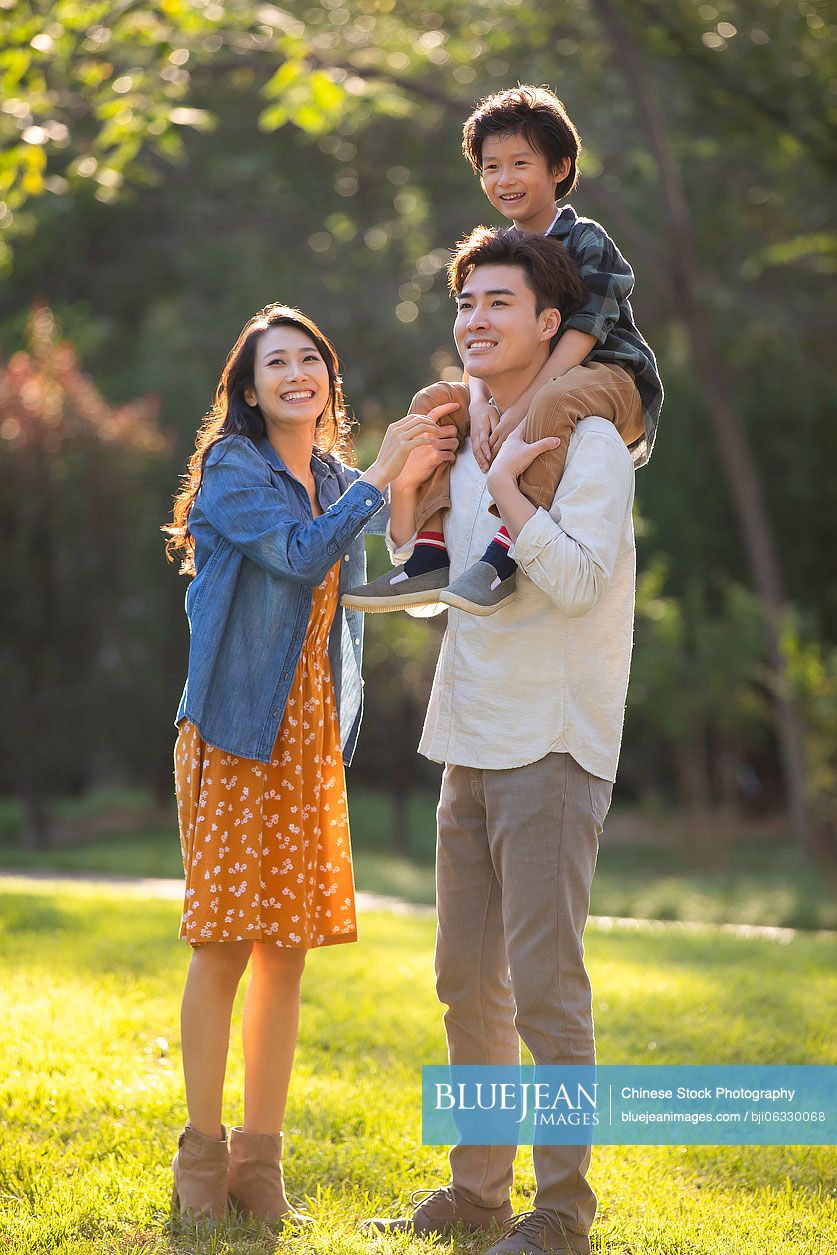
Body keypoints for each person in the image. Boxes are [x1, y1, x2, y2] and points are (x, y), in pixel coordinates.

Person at [361, 227, 639, 1255]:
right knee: (465, 981)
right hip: (468, 735)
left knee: (547, 988)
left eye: (497, 305)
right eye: (464, 304)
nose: (473, 322)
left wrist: (518, 494)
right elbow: (439, 593)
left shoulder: (593, 444)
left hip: (552, 741)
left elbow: (570, 579)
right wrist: (412, 492)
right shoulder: (471, 431)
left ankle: (561, 1212)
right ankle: (476, 1194)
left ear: (550, 324)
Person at [161, 303, 458, 1225]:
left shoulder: (334, 474)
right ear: (247, 390)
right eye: (275, 363)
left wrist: (419, 474)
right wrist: (378, 477)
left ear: (329, 379)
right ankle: (201, 1161)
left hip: (308, 742)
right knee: (222, 946)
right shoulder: (233, 468)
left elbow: (381, 573)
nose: (296, 374)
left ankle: (261, 1163)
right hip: (234, 732)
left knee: (285, 954)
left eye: (310, 360)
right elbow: (298, 556)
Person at [343, 84, 662, 617]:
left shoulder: (585, 239)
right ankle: (427, 552)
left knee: (552, 403)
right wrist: (476, 406)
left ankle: (505, 551)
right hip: (529, 383)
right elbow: (480, 350)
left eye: (520, 163)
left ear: (559, 168)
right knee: (433, 402)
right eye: (491, 167)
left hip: (610, 377)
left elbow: (583, 336)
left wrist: (514, 408)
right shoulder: (495, 250)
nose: (504, 179)